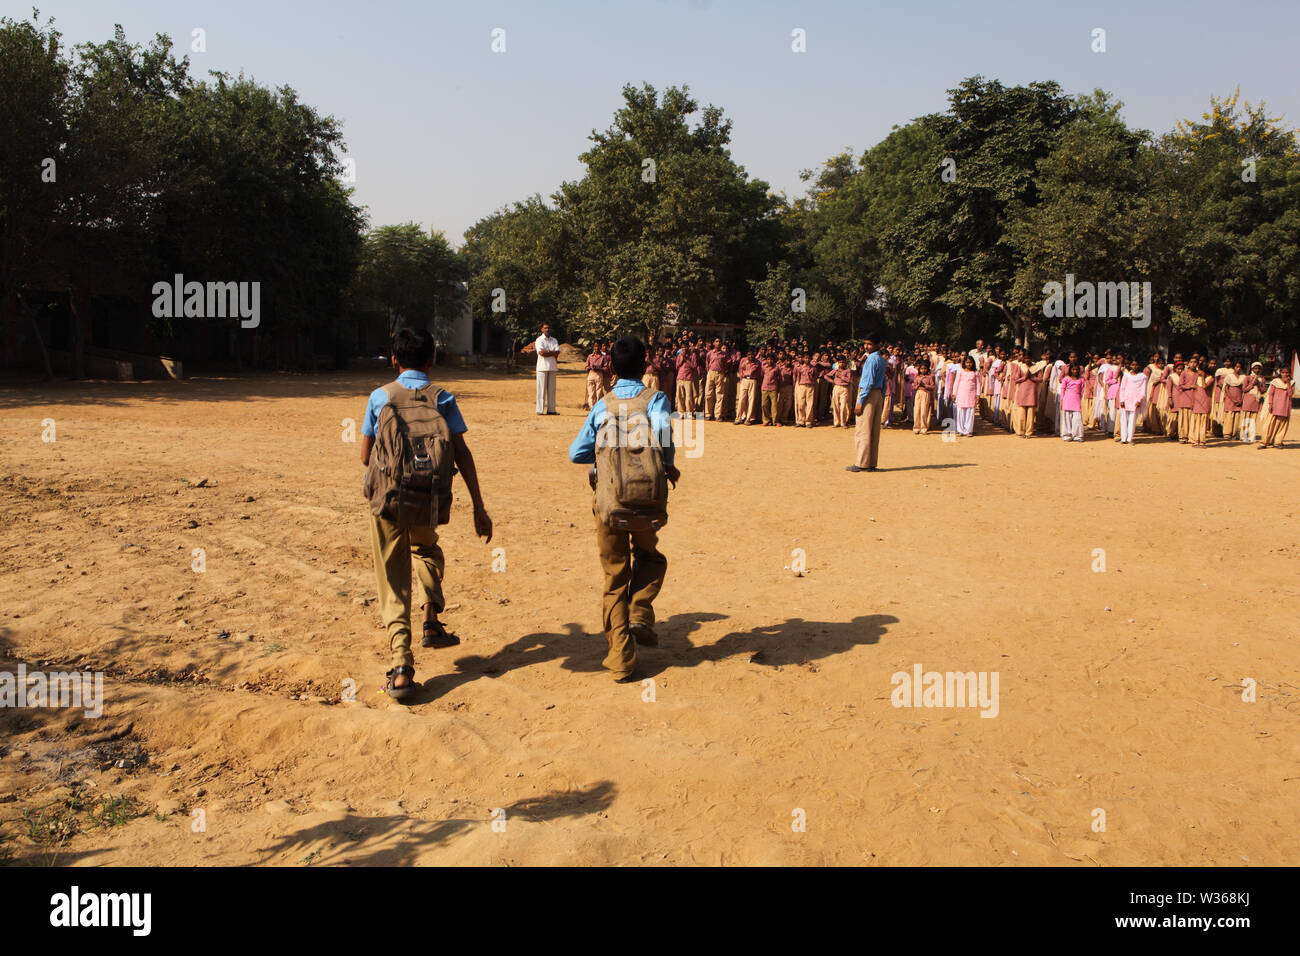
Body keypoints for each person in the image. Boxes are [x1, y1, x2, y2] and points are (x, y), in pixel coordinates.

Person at [360, 327, 494, 701]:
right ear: (432, 361)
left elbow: (364, 455)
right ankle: (431, 619)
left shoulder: (380, 397)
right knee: (427, 549)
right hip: (428, 499)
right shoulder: (443, 397)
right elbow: (461, 452)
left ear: (394, 361)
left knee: (392, 578)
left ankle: (401, 667)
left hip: (388, 500)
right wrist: (478, 508)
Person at [568, 336, 680, 682]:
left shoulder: (603, 405)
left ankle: (621, 657)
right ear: (645, 365)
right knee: (650, 557)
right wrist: (669, 465)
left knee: (615, 574)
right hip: (646, 500)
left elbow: (577, 453)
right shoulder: (656, 398)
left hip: (610, 501)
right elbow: (663, 436)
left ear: (612, 368)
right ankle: (641, 612)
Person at [847, 335, 885, 472]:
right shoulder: (881, 359)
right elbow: (884, 380)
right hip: (878, 394)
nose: (866, 346)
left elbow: (868, 381)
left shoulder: (871, 359)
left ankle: (862, 462)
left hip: (868, 394)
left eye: (869, 344)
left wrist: (860, 402)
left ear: (877, 344)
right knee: (874, 430)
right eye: (865, 344)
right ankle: (871, 463)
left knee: (863, 429)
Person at [1259, 365, 1295, 448]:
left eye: (1287, 372)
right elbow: (1271, 394)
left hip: (1285, 406)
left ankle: (1278, 442)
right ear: (1280, 372)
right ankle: (1265, 442)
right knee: (1269, 425)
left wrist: (1288, 383)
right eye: (1283, 372)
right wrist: (1270, 404)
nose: (1285, 374)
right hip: (1275, 406)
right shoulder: (1275, 381)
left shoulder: (1292, 382)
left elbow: (1290, 394)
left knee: (1282, 425)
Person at [1117, 359, 1148, 444]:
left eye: (1136, 365)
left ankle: (1130, 438)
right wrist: (1122, 400)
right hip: (1126, 399)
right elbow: (1122, 388)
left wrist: (1139, 400)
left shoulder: (1143, 377)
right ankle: (1123, 438)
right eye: (1133, 365)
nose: (1135, 366)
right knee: (1123, 419)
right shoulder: (1126, 375)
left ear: (1139, 366)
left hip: (1135, 400)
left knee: (1132, 420)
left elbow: (1143, 390)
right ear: (1130, 365)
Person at [534, 322, 560, 415]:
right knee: (541, 390)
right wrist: (552, 352)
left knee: (552, 390)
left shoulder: (554, 340)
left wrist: (548, 352)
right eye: (545, 328)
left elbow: (557, 352)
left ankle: (551, 410)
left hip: (552, 367)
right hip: (542, 367)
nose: (547, 330)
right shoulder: (539, 340)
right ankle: (539, 410)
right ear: (542, 329)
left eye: (548, 328)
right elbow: (542, 353)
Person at [953, 355, 979, 436]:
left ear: (973, 363)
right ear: (964, 363)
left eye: (970, 363)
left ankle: (968, 430)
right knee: (961, 411)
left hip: (971, 394)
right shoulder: (960, 371)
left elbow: (978, 384)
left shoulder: (975, 373)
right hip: (961, 394)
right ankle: (961, 430)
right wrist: (954, 393)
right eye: (967, 362)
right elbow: (956, 383)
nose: (969, 364)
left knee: (970, 412)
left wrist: (978, 395)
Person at [1059, 363, 1085, 442]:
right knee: (1067, 417)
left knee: (1077, 418)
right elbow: (1063, 389)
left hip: (1076, 399)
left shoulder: (1081, 379)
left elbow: (1082, 390)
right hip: (1067, 399)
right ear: (1070, 370)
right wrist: (1062, 400)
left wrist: (1080, 398)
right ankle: (1067, 435)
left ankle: (1077, 435)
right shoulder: (1066, 379)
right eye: (1073, 369)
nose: (1075, 371)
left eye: (1077, 369)